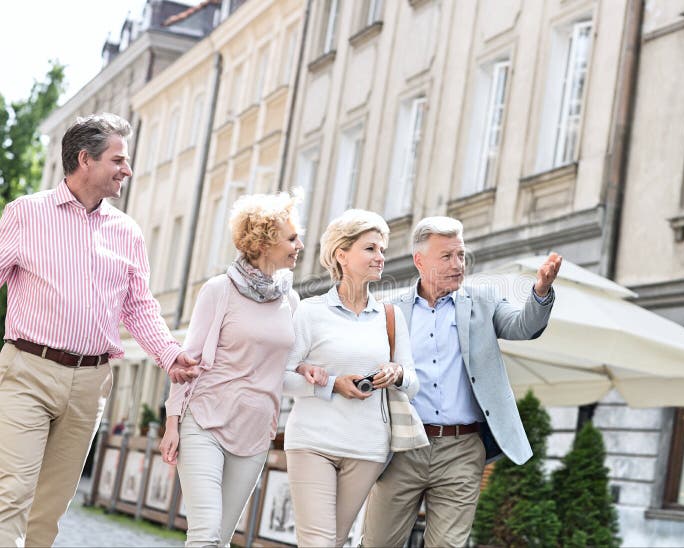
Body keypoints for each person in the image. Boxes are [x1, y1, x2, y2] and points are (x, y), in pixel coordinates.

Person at [0, 113, 199, 547]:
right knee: (11, 493)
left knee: (49, 509)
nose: (127, 170)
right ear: (85, 159)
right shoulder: (25, 213)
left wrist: (169, 354)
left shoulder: (126, 232)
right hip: (27, 372)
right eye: (118, 160)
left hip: (91, 383)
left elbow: (138, 305)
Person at [362, 216, 562, 547]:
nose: (458, 264)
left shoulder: (484, 301)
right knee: (377, 543)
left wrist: (540, 292)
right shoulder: (389, 311)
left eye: (461, 255)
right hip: (402, 447)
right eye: (447, 256)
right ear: (419, 261)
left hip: (462, 449)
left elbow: (522, 327)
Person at [159, 192, 305, 547]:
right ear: (263, 242)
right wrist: (173, 422)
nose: (299, 244)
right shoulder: (219, 290)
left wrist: (319, 377)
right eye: (291, 238)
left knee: (221, 539)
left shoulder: (291, 300)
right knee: (206, 534)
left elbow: (286, 369)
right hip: (204, 423)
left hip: (254, 434)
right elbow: (187, 363)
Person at [282, 209, 420, 547]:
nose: (380, 257)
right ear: (341, 255)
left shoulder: (390, 316)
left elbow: (412, 382)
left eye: (382, 249)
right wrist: (332, 385)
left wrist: (397, 373)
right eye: (370, 248)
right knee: (318, 542)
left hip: (367, 447)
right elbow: (281, 378)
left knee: (337, 540)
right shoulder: (311, 312)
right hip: (312, 443)